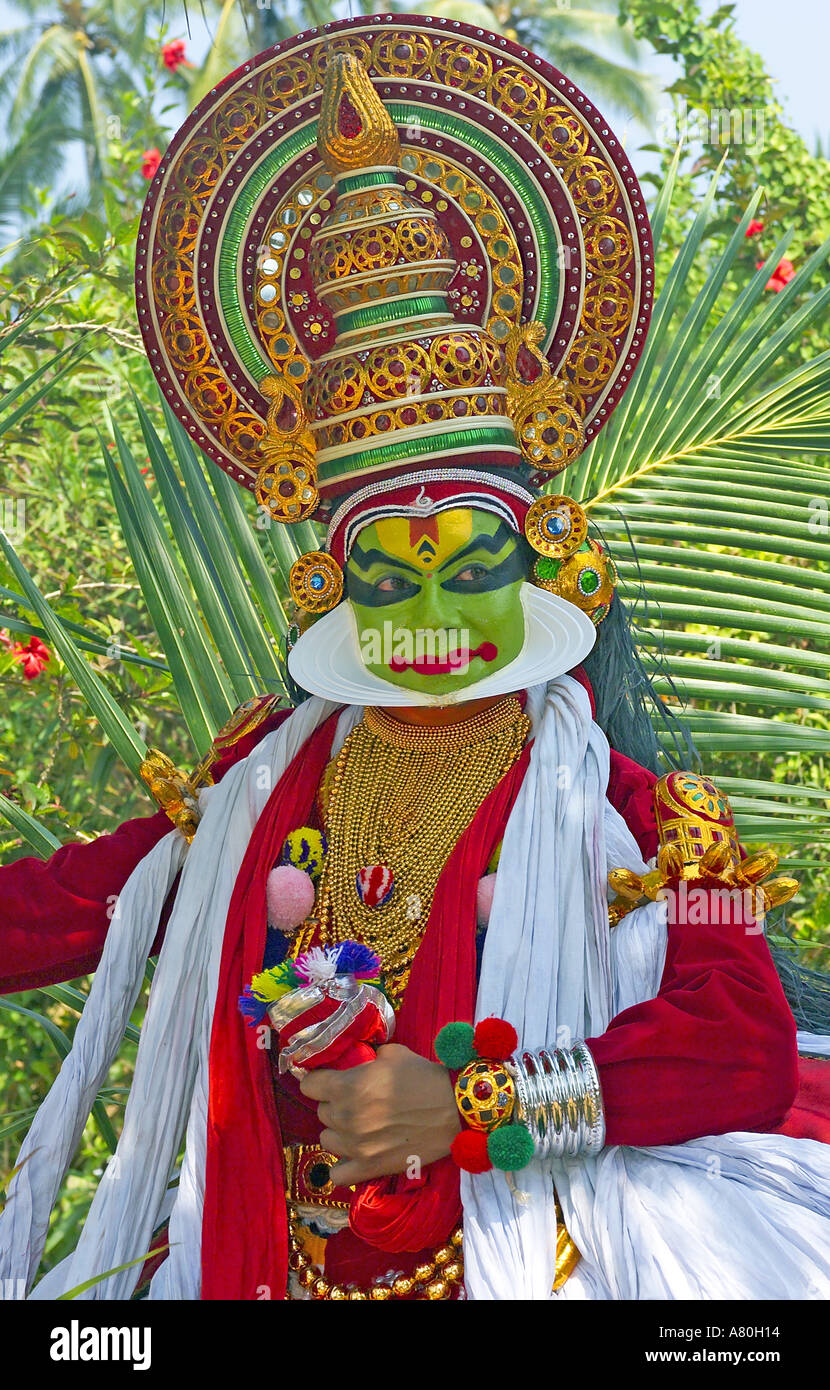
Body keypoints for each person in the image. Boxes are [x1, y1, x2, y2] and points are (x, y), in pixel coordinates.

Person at [2, 17, 829, 1302]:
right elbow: (74, 904)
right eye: (389, 569)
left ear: (546, 559)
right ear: (329, 583)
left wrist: (471, 1103)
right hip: (274, 1266)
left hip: (541, 1251)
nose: (430, 605)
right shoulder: (248, 809)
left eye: (470, 562)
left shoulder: (664, 826)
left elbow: (743, 1049)